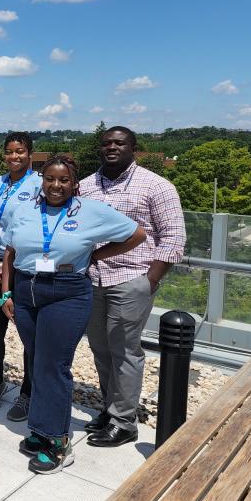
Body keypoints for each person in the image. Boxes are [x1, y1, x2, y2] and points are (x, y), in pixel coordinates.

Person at [0, 154, 146, 474]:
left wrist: (95, 256)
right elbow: (10, 251)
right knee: (37, 361)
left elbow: (137, 235)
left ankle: (58, 442)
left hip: (66, 291)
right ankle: (40, 430)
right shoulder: (24, 209)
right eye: (50, 179)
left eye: (63, 180)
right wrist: (6, 292)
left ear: (73, 183)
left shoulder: (90, 211)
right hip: (26, 289)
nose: (56, 185)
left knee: (54, 366)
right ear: (42, 179)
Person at [79, 127, 186, 447]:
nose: (112, 148)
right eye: (106, 143)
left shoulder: (157, 186)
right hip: (93, 278)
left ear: (133, 148)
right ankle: (110, 411)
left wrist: (149, 280)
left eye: (119, 143)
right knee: (100, 348)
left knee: (124, 351)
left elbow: (174, 238)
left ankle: (124, 422)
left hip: (132, 279)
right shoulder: (85, 186)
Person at [0, 132, 40, 418]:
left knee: (29, 333)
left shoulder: (41, 184)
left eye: (20, 151)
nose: (14, 156)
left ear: (29, 153)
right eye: (9, 151)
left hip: (25, 268)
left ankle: (28, 392)